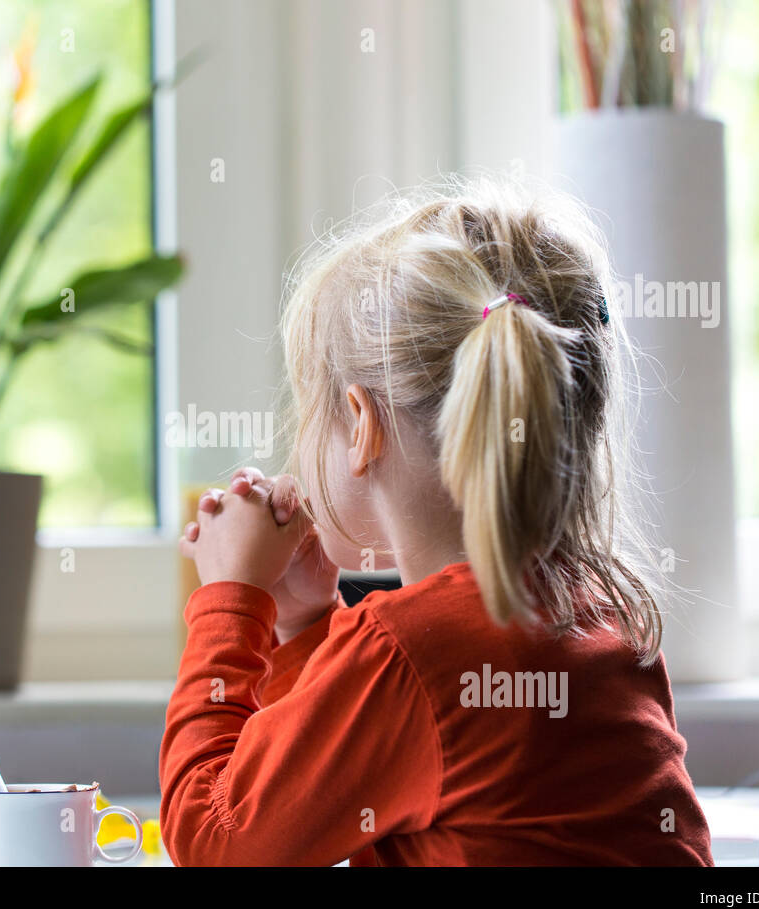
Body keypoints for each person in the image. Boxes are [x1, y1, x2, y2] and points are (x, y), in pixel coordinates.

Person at [161, 180, 713, 866]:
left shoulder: (412, 651)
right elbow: (368, 764)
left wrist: (227, 606)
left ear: (361, 428)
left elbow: (215, 843)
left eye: (310, 410)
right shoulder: (603, 615)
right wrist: (303, 627)